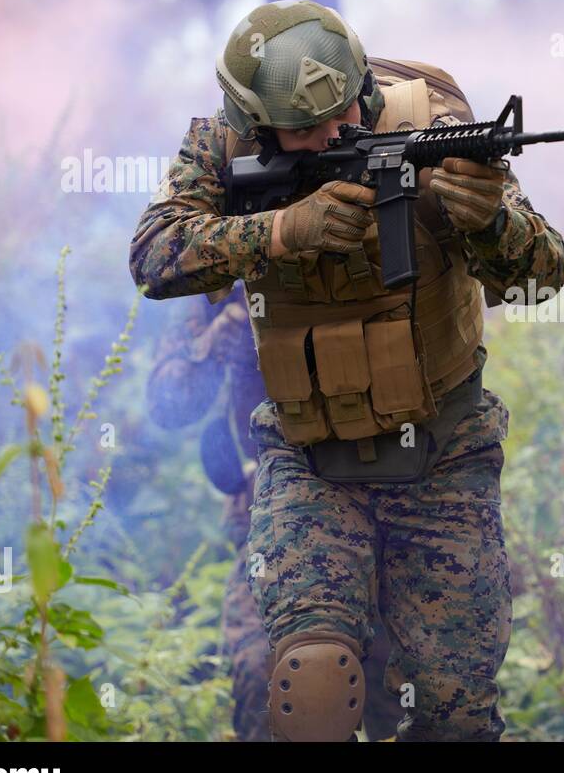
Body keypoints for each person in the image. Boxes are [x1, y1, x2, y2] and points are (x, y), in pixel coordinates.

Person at [129, 0, 564, 741]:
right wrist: (280, 230)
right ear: (257, 125)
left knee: (453, 714)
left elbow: (543, 276)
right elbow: (152, 256)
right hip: (309, 463)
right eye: (308, 129)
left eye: (345, 112)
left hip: (442, 456)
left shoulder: (431, 114)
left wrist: (492, 219)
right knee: (315, 687)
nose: (338, 135)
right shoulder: (219, 142)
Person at [144, 283, 404, 741]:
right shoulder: (224, 261)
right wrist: (216, 342)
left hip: (396, 496)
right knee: (273, 683)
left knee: (403, 692)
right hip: (274, 510)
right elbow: (167, 405)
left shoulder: (376, 222)